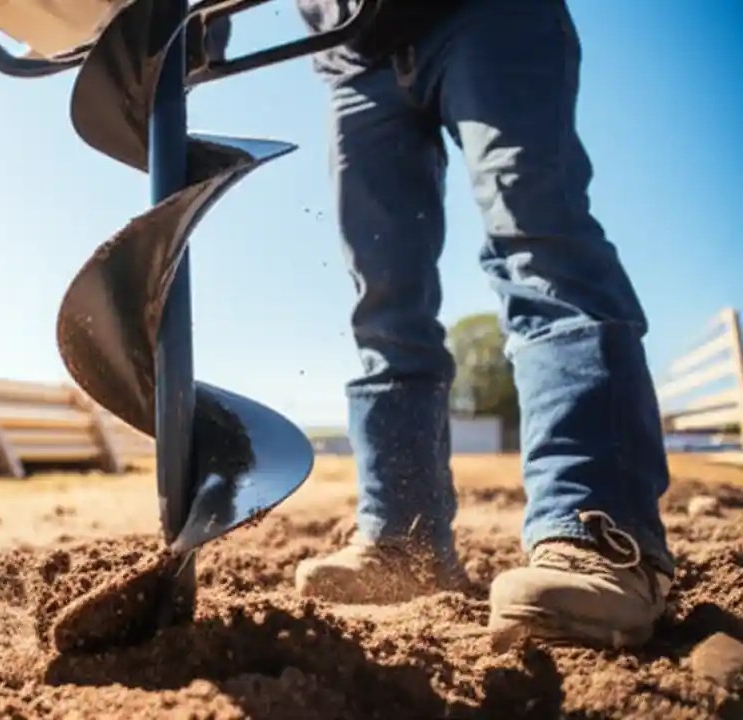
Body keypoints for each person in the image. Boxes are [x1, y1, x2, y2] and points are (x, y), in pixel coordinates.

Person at [275, 0, 675, 649]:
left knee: (538, 242)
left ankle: (597, 530)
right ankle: (405, 545)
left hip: (488, 13)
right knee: (382, 300)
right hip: (352, 55)